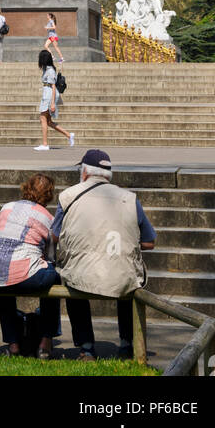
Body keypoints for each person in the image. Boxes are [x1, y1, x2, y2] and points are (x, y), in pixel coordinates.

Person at [53, 148, 156, 360]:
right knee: (127, 280)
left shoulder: (68, 196)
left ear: (84, 172)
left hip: (81, 273)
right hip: (121, 273)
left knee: (72, 283)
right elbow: (149, 241)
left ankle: (87, 347)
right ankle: (127, 344)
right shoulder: (130, 199)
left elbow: (55, 236)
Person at [0, 172, 61, 358]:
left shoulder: (6, 207)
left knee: (2, 284)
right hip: (23, 273)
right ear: (48, 195)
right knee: (54, 277)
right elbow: (50, 256)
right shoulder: (48, 218)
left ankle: (13, 343)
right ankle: (45, 342)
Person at [34, 49, 74, 151]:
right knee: (48, 121)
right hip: (46, 93)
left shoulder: (50, 70)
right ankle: (68, 135)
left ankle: (45, 144)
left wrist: (52, 103)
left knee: (43, 118)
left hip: (49, 94)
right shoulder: (46, 69)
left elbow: (53, 87)